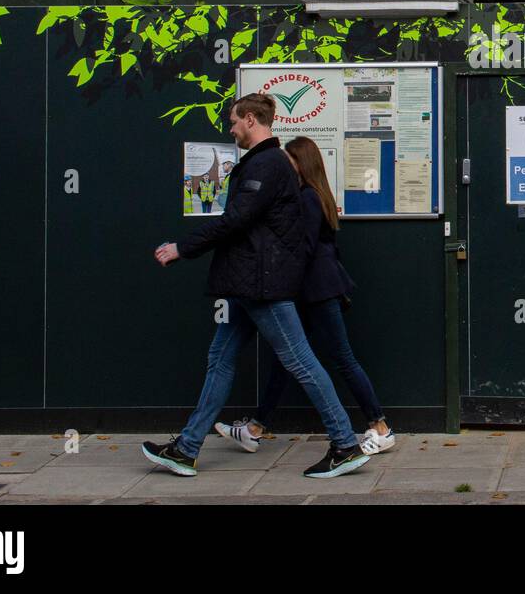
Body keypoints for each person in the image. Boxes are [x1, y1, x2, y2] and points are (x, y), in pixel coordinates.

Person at [142, 94, 370, 480]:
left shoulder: (265, 164)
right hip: (248, 285)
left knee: (300, 361)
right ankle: (186, 447)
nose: (231, 130)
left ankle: (345, 444)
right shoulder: (267, 164)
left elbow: (236, 219)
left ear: (251, 119)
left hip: (262, 286)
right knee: (220, 360)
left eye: (233, 122)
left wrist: (183, 247)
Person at [215, 136, 396, 456]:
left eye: (289, 162)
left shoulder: (308, 198)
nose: (284, 168)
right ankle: (254, 429)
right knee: (287, 362)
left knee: (341, 358)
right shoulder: (312, 195)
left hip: (318, 291)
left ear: (301, 163)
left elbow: (304, 249)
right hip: (312, 290)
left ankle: (380, 427)